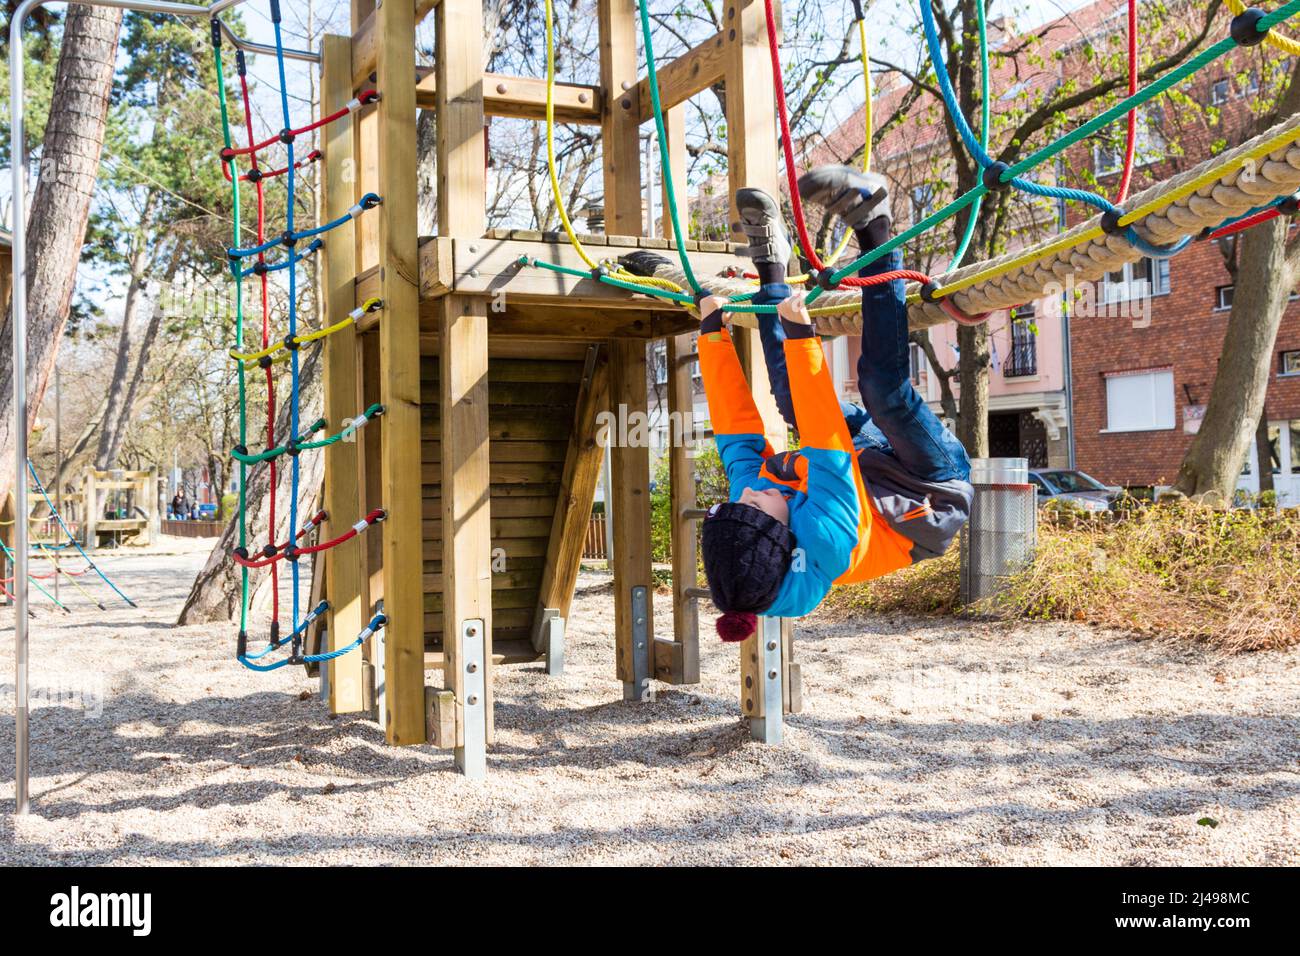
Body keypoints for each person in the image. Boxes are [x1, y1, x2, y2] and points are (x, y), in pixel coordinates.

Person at [622, 166, 973, 642]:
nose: (744, 494)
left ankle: (772, 266)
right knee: (881, 389)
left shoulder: (754, 503)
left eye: (736, 502)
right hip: (928, 489)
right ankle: (875, 226)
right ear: (784, 539)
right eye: (753, 506)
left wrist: (711, 336)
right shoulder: (828, 541)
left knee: (786, 399)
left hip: (867, 470)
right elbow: (825, 437)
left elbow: (735, 429)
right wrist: (801, 337)